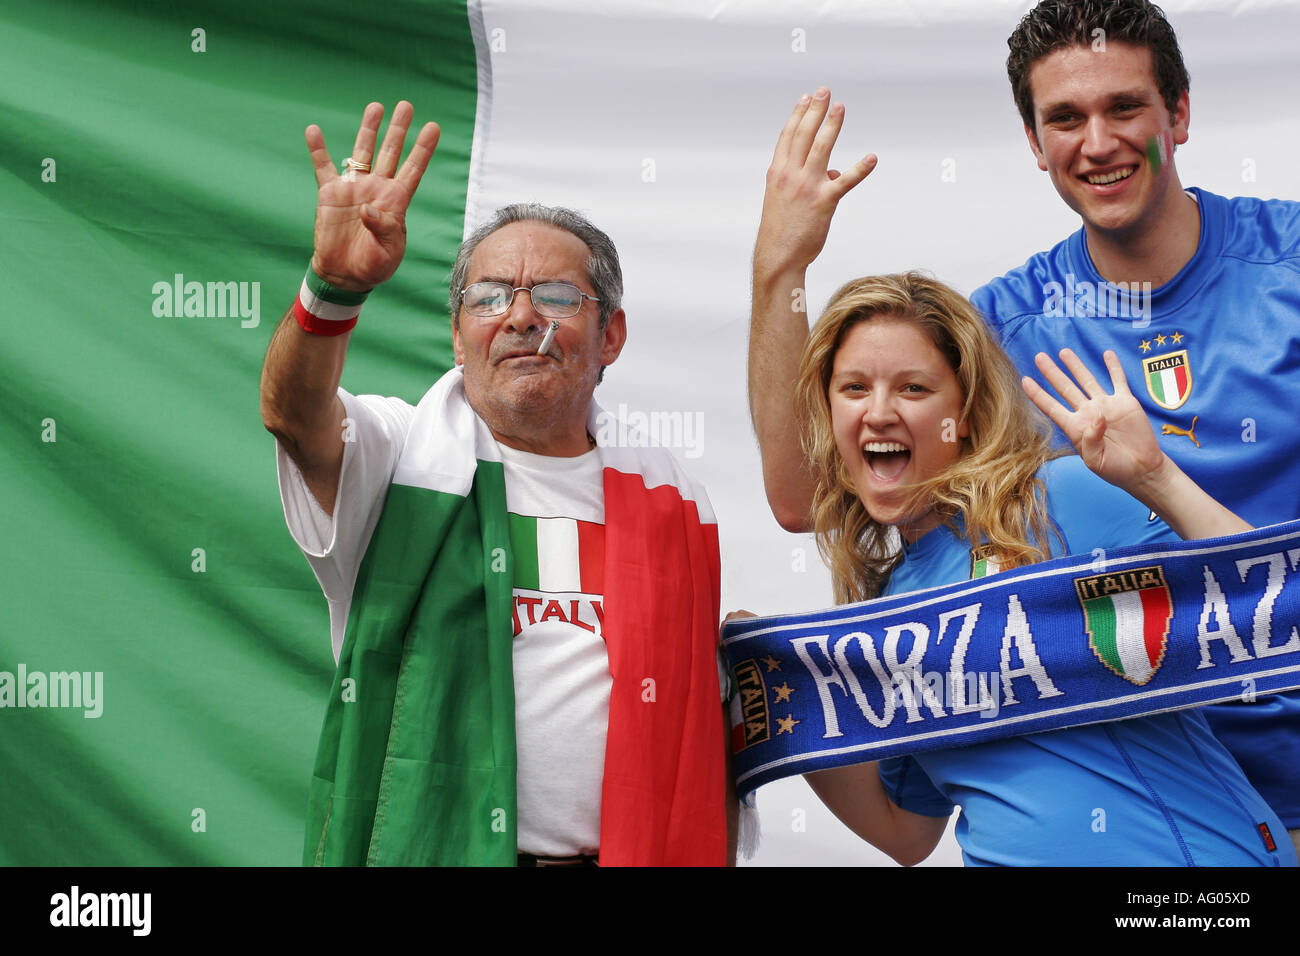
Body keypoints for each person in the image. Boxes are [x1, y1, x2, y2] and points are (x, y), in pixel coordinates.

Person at [747, 0, 1300, 849]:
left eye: (1124, 108)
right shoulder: (998, 331)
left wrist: (1154, 476)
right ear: (1036, 145)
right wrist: (780, 267)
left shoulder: (1287, 261)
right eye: (1065, 119)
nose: (1098, 142)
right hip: (1156, 776)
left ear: (1179, 114)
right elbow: (809, 489)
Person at [260, 101, 731, 866]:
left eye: (552, 296)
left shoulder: (672, 497)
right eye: (488, 297)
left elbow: (697, 715)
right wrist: (331, 291)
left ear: (609, 333)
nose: (518, 316)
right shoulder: (398, 452)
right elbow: (291, 414)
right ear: (457, 333)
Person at [748, 270, 1294, 866]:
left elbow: (1279, 607)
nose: (878, 412)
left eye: (912, 389)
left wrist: (1156, 479)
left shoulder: (1058, 500)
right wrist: (782, 708)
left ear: (970, 413)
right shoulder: (884, 611)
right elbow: (906, 832)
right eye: (854, 388)